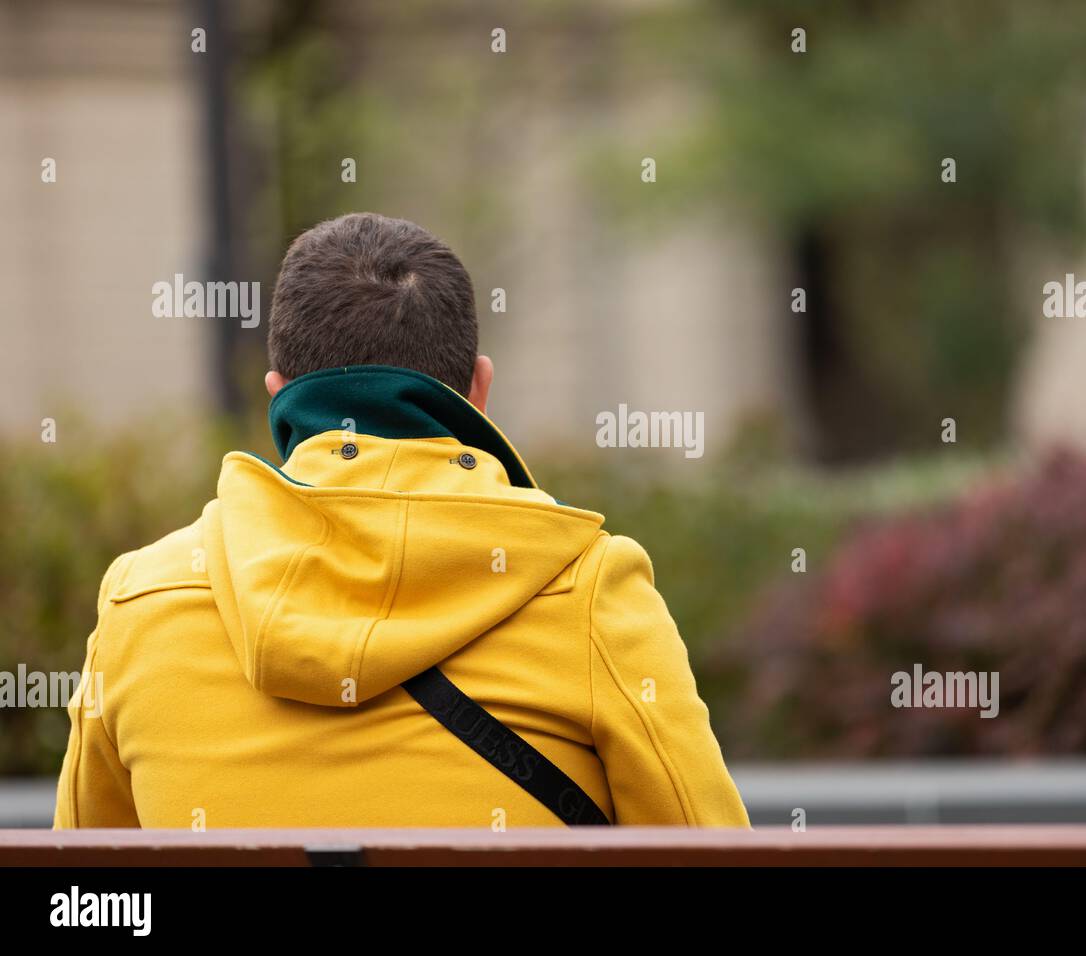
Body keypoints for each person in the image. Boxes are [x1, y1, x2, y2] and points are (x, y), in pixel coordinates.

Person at [54, 212, 750, 828]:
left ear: (278, 397)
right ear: (478, 390)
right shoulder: (590, 591)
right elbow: (712, 855)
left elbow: (81, 896)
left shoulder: (140, 601)